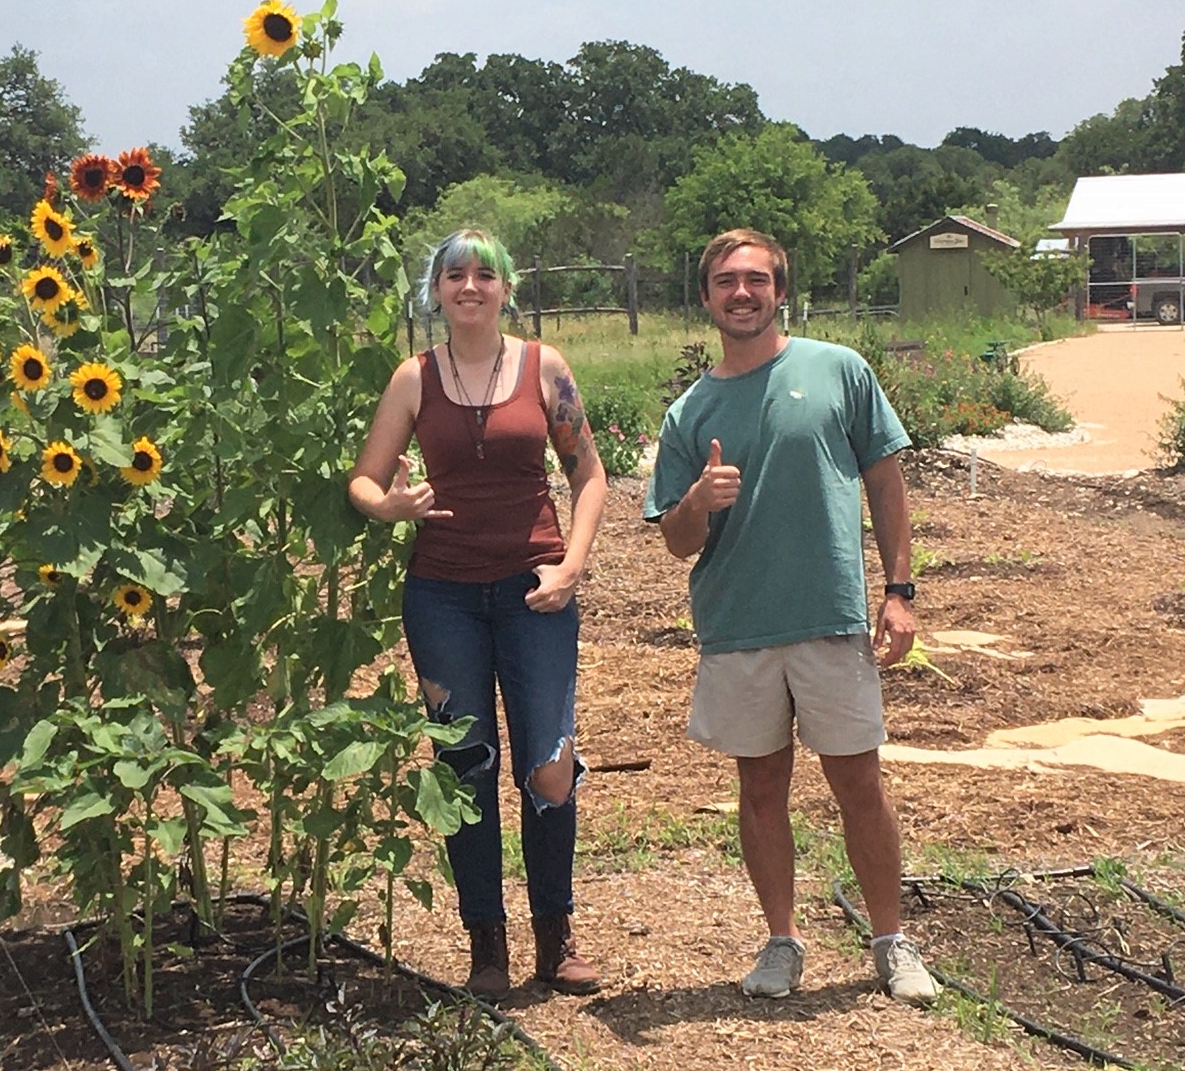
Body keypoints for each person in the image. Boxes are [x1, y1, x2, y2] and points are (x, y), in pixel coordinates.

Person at [644, 228, 937, 1005]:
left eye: (756, 280)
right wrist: (697, 504)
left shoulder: (838, 370)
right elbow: (675, 543)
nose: (742, 293)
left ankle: (890, 940)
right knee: (762, 786)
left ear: (780, 290)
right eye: (726, 282)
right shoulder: (689, 412)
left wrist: (899, 590)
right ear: (704, 297)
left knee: (858, 782)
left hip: (831, 616)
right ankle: (782, 942)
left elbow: (886, 481)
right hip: (739, 626)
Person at [349, 228, 609, 997]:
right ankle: (485, 945)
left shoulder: (543, 368)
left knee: (549, 763)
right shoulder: (413, 379)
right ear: (436, 292)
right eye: (454, 275)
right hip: (442, 595)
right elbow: (363, 483)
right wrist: (391, 504)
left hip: (536, 592)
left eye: (484, 276)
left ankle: (555, 936)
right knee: (464, 768)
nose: (469, 287)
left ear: (505, 289)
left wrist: (572, 563)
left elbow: (588, 475)